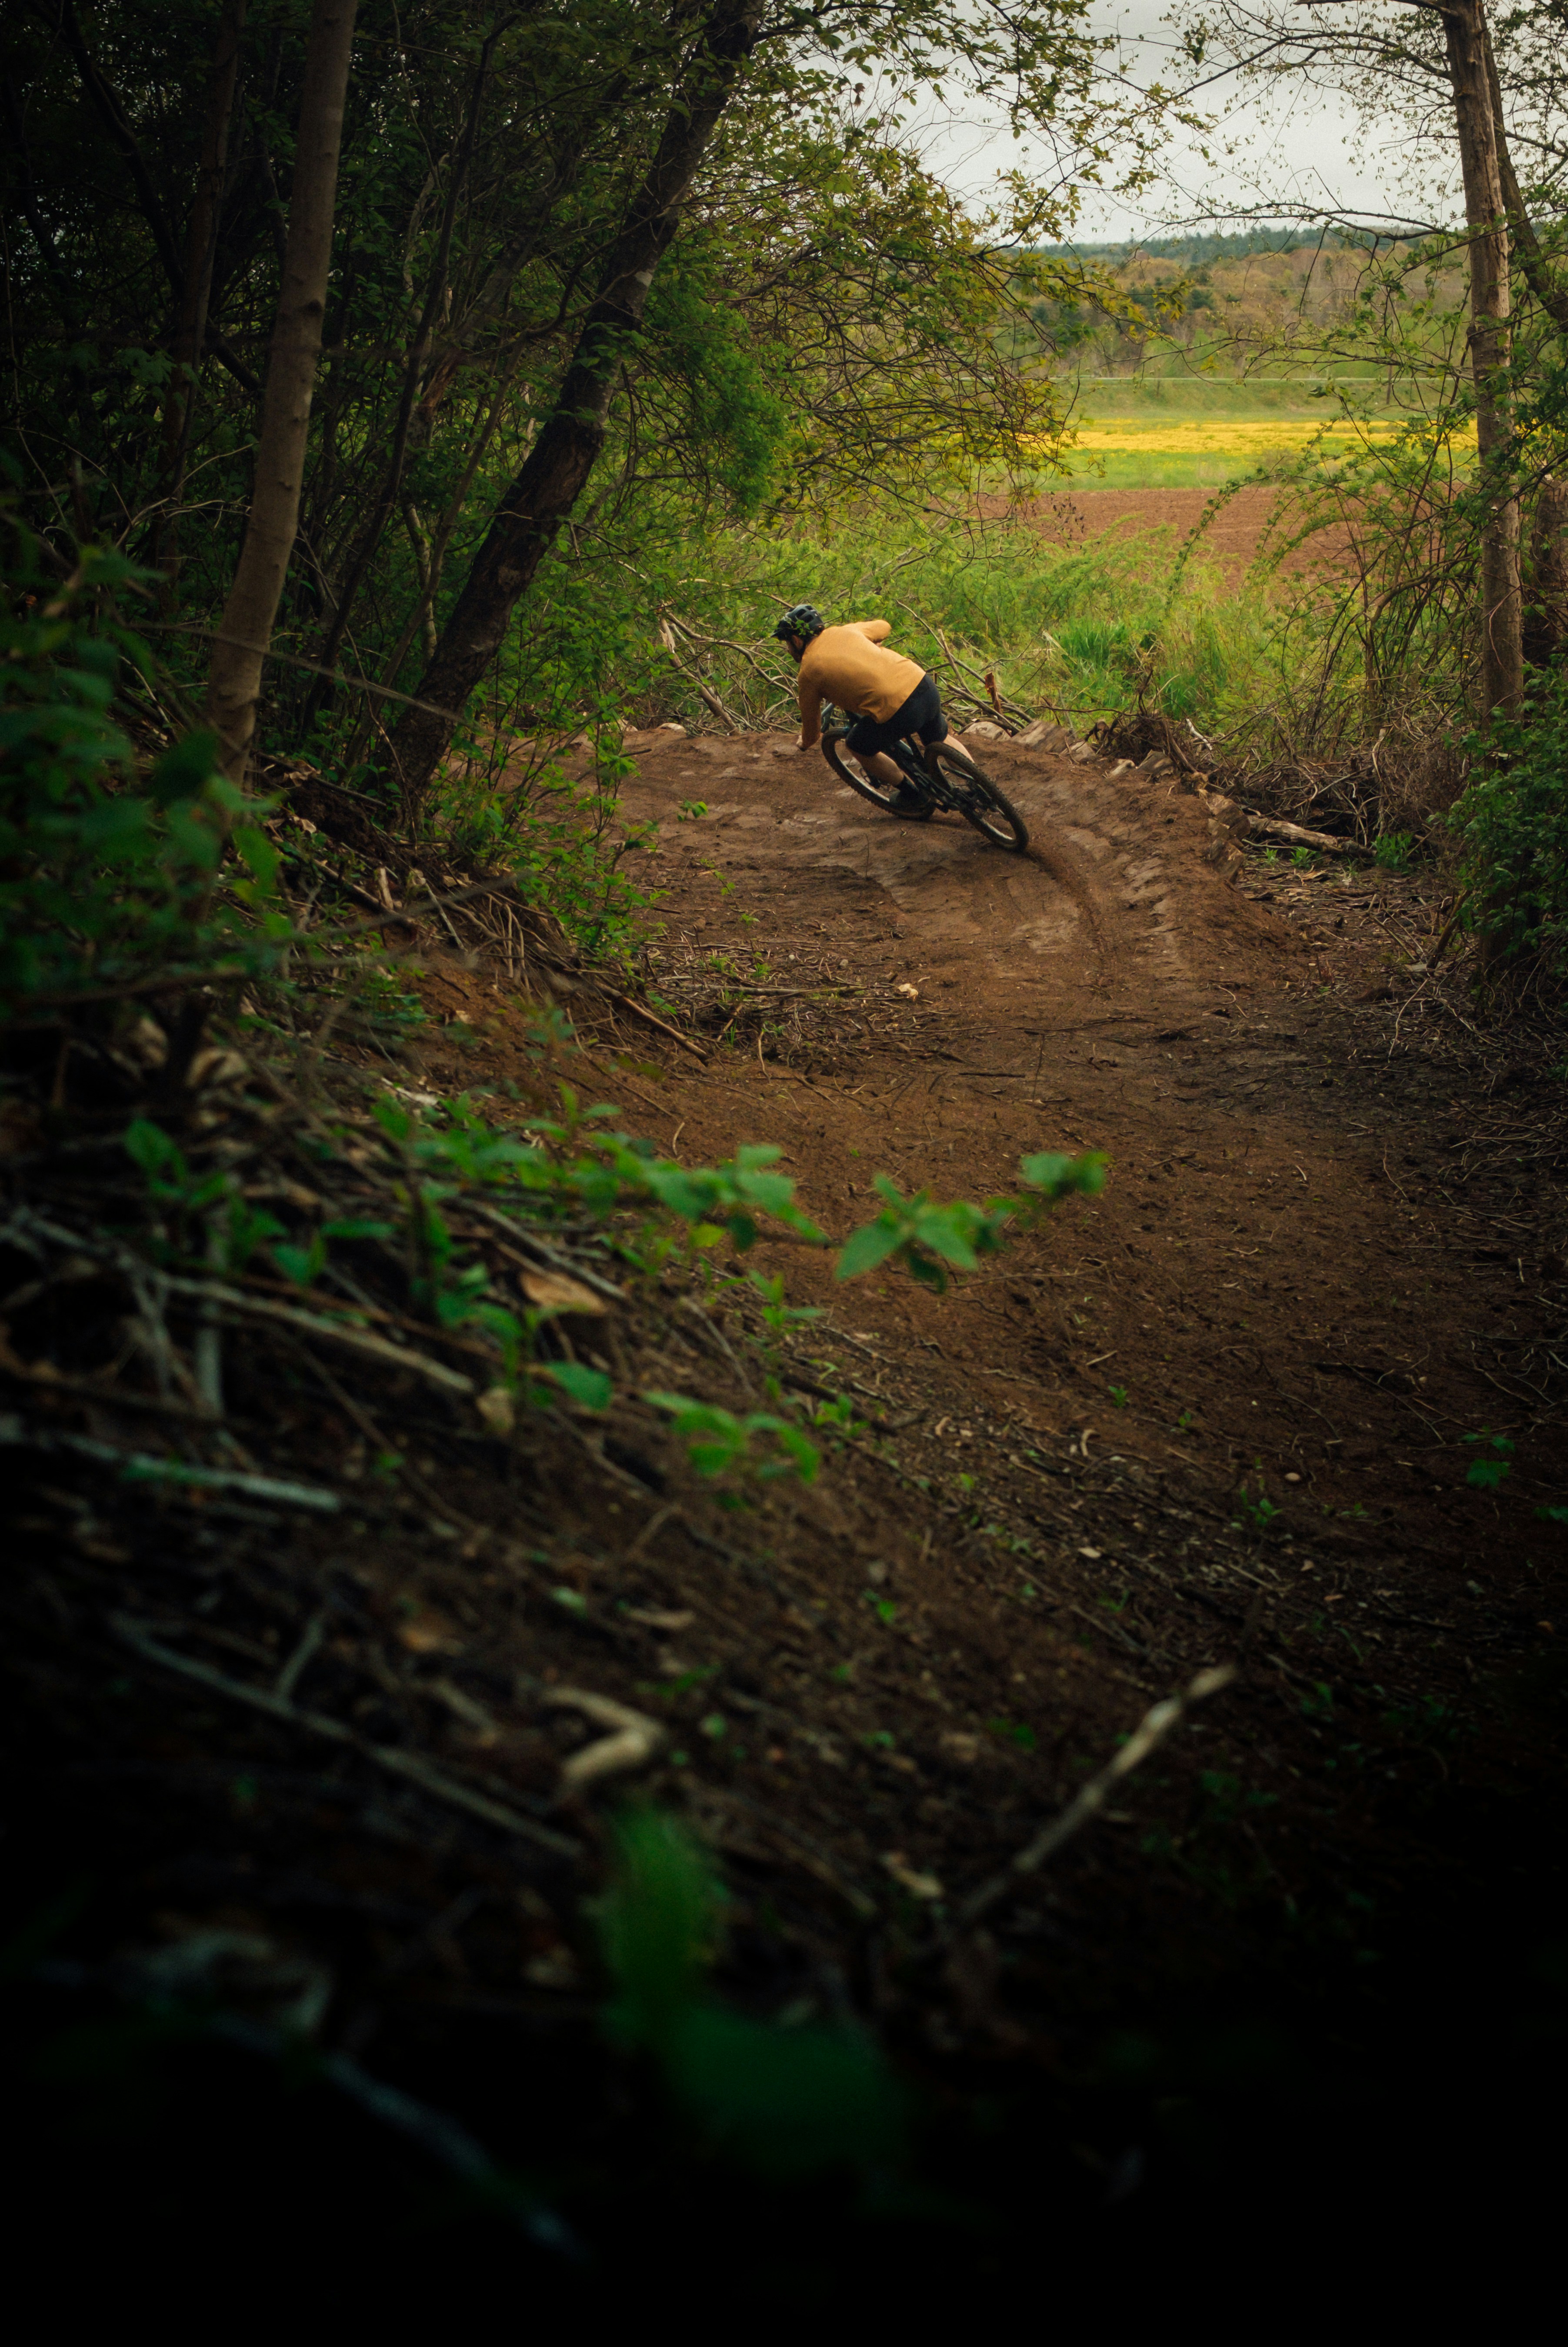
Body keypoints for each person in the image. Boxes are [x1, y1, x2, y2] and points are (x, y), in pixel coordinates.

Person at [773, 603, 948, 808]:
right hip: (923, 684)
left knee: (858, 745)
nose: (788, 649)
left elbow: (812, 732)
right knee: (940, 738)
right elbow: (884, 626)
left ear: (796, 640)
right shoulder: (847, 631)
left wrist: (804, 742)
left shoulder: (808, 672)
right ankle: (982, 783)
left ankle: (914, 797)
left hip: (899, 711)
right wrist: (872, 643)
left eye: (788, 644)